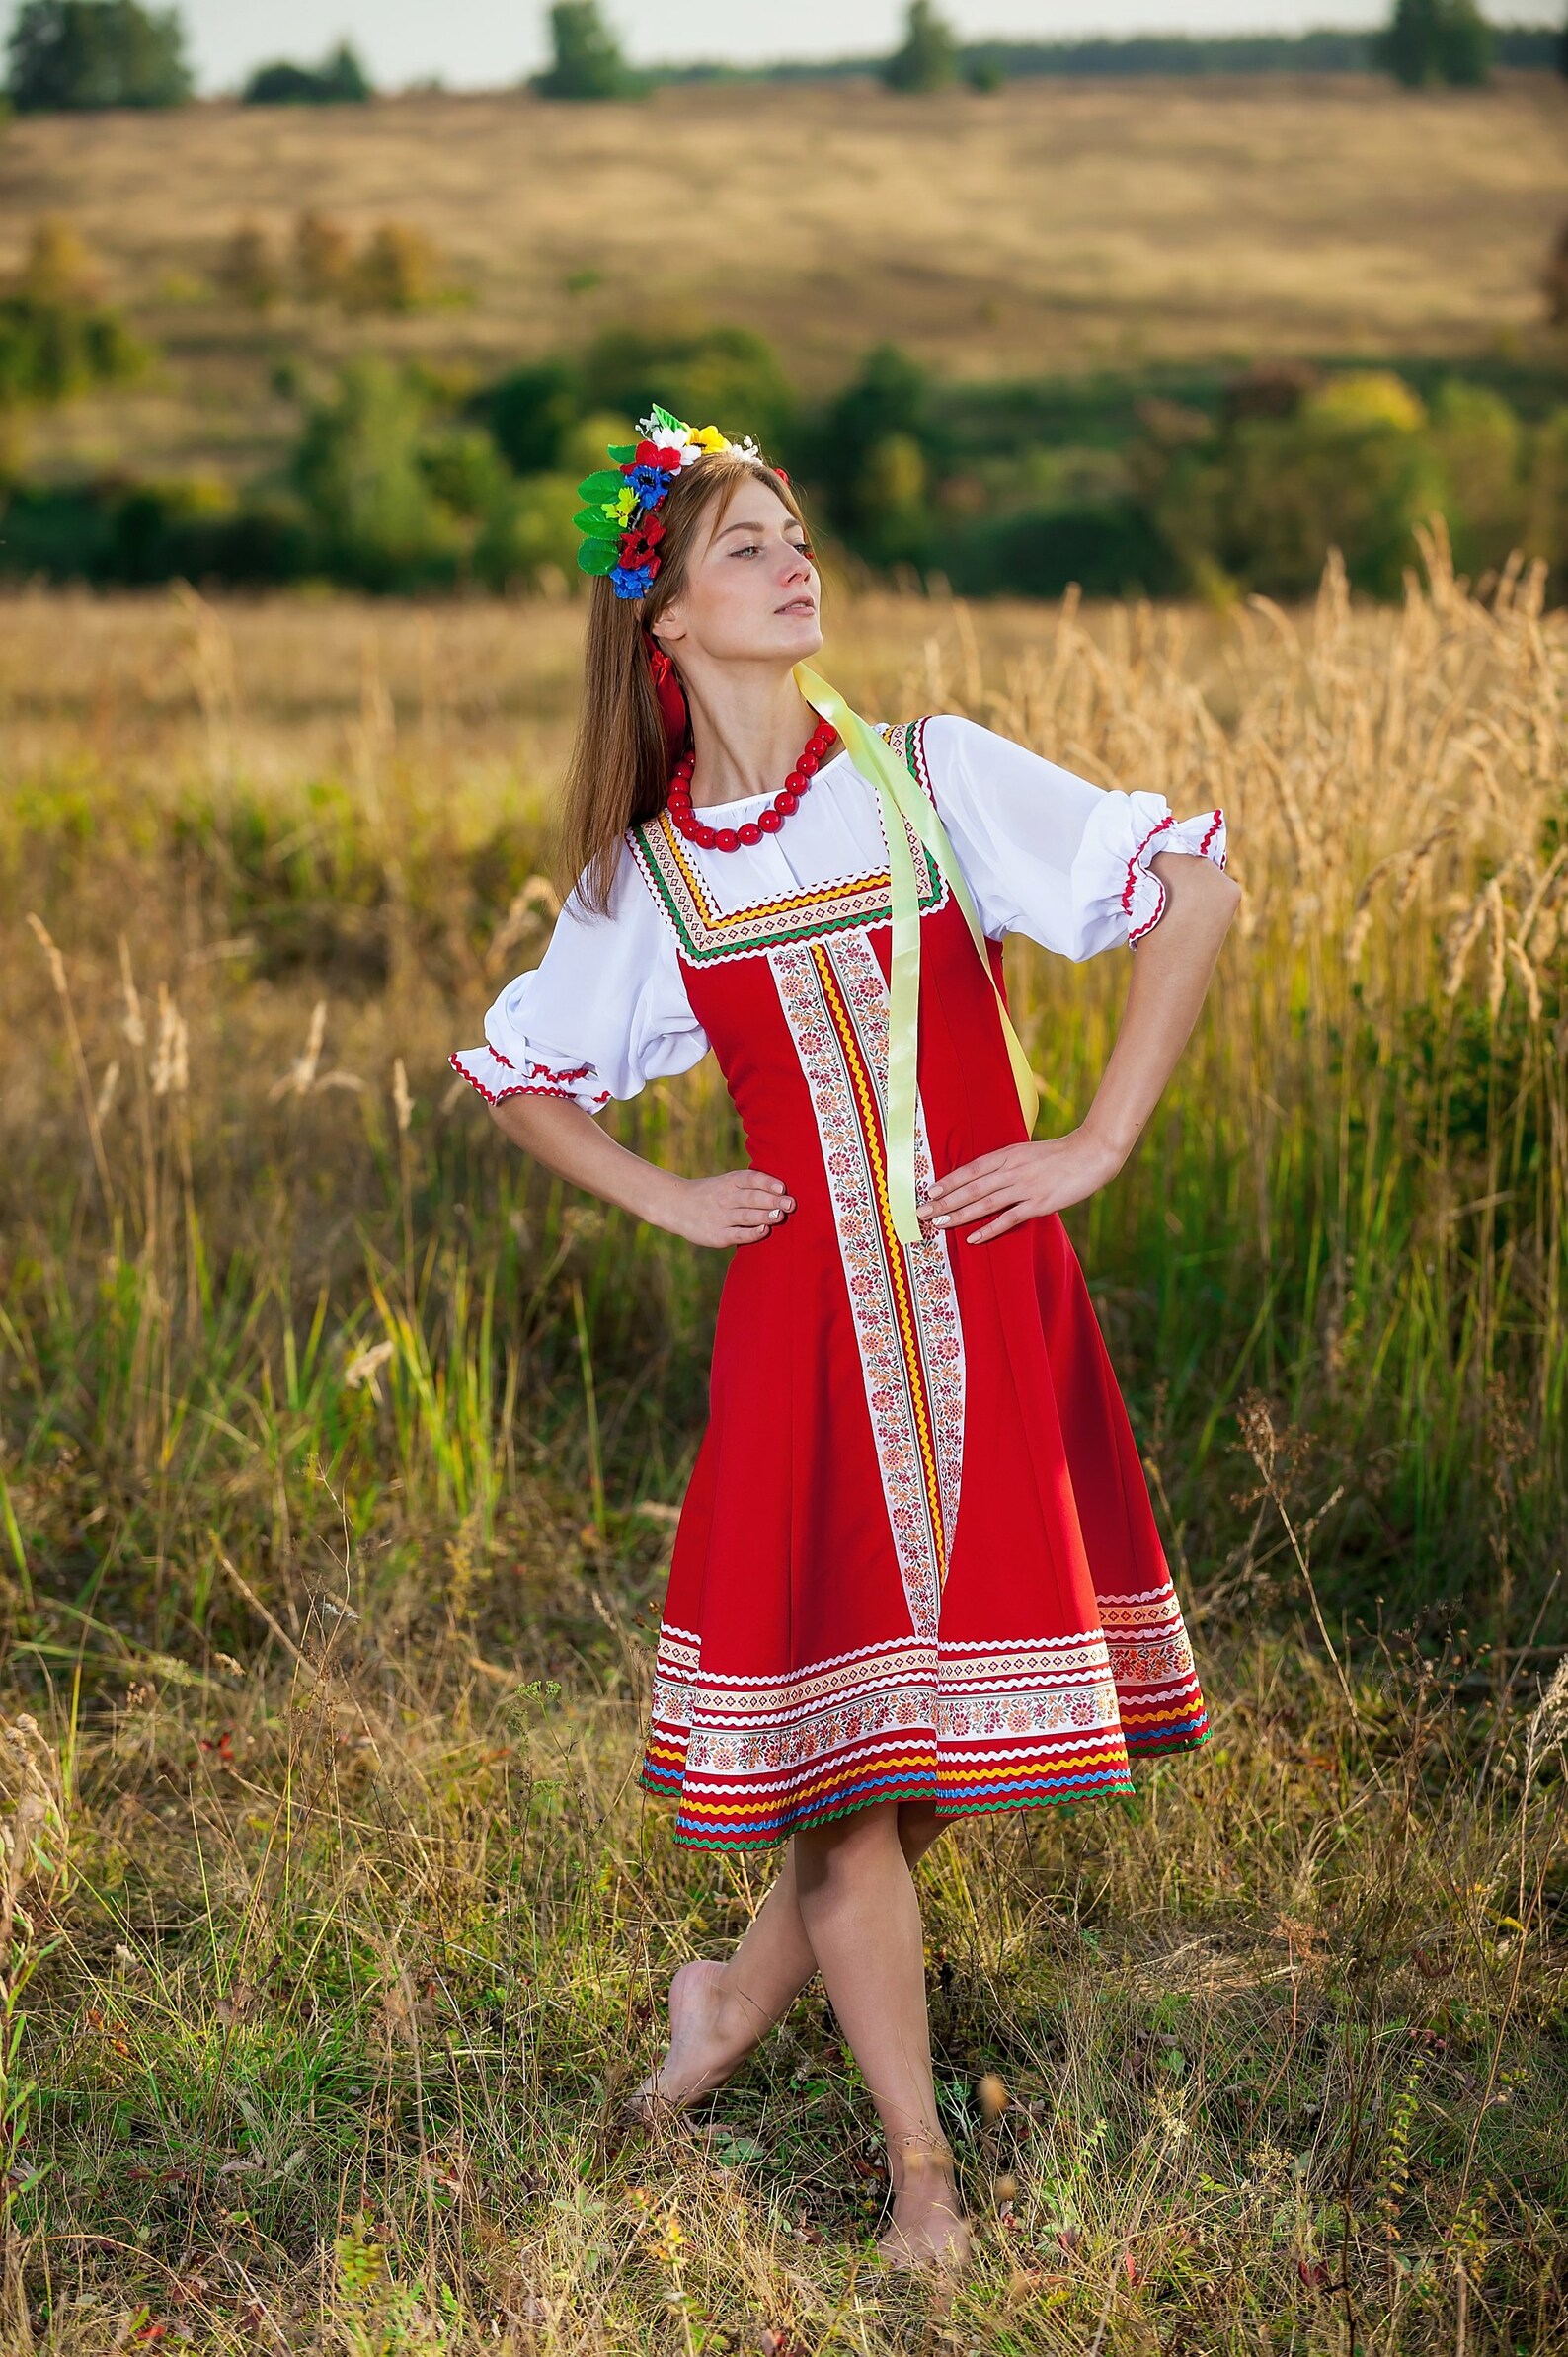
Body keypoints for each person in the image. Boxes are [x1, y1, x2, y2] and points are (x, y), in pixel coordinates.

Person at [450, 407, 1241, 2274]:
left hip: (991, 1302)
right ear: (664, 622)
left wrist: (1098, 1139)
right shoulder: (649, 880)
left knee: (936, 1760)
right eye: (746, 545)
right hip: (808, 1340)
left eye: (796, 534)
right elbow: (519, 1070)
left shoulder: (929, 778)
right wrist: (672, 1199)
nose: (794, 563)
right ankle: (920, 2176)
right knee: (844, 1774)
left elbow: (1191, 890)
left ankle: (725, 2005)